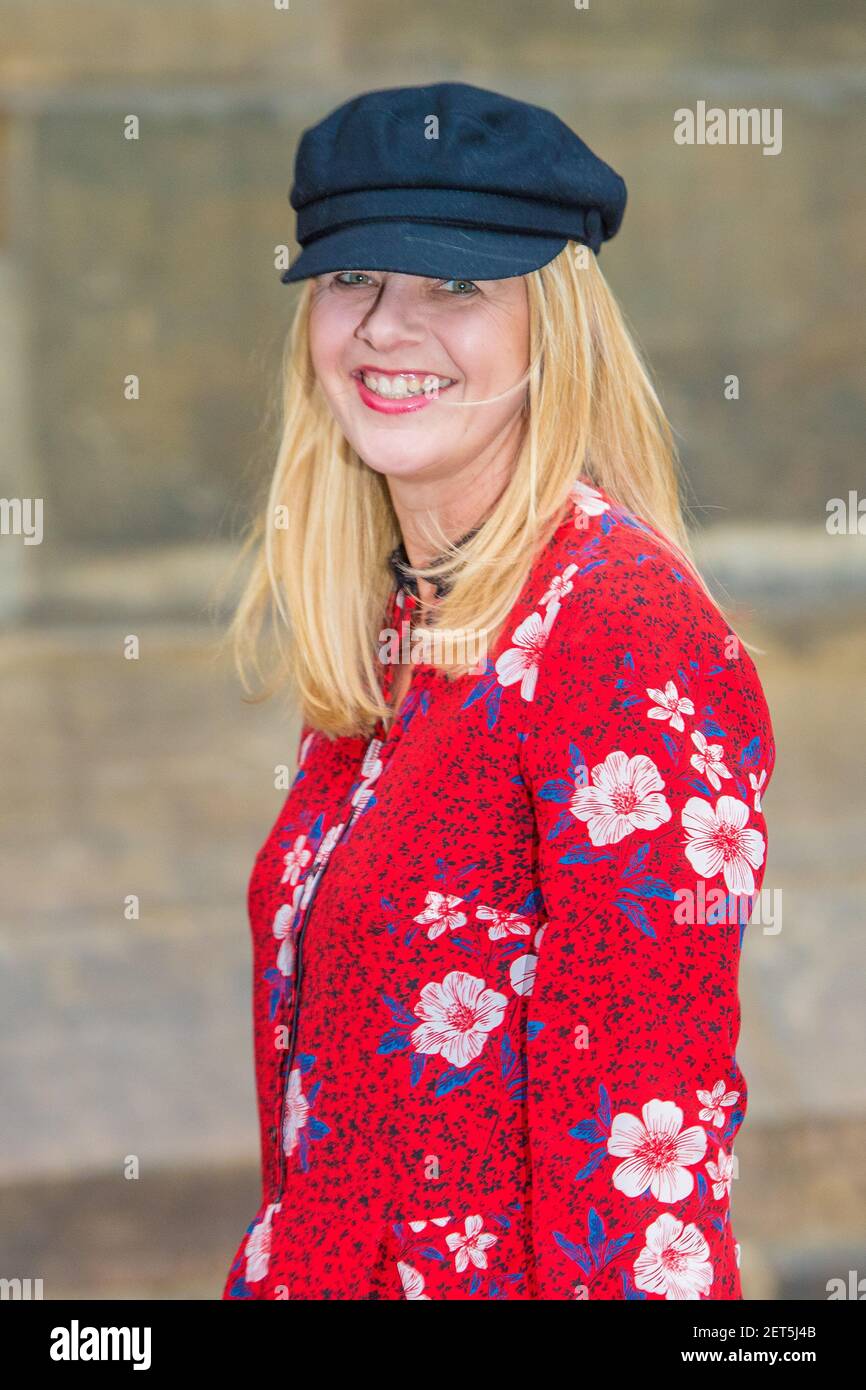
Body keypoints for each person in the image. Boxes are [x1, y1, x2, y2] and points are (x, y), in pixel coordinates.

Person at [221, 81, 775, 1301]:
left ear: (551, 328)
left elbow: (648, 1164)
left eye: (455, 284)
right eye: (351, 276)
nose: (386, 326)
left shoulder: (618, 631)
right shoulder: (404, 615)